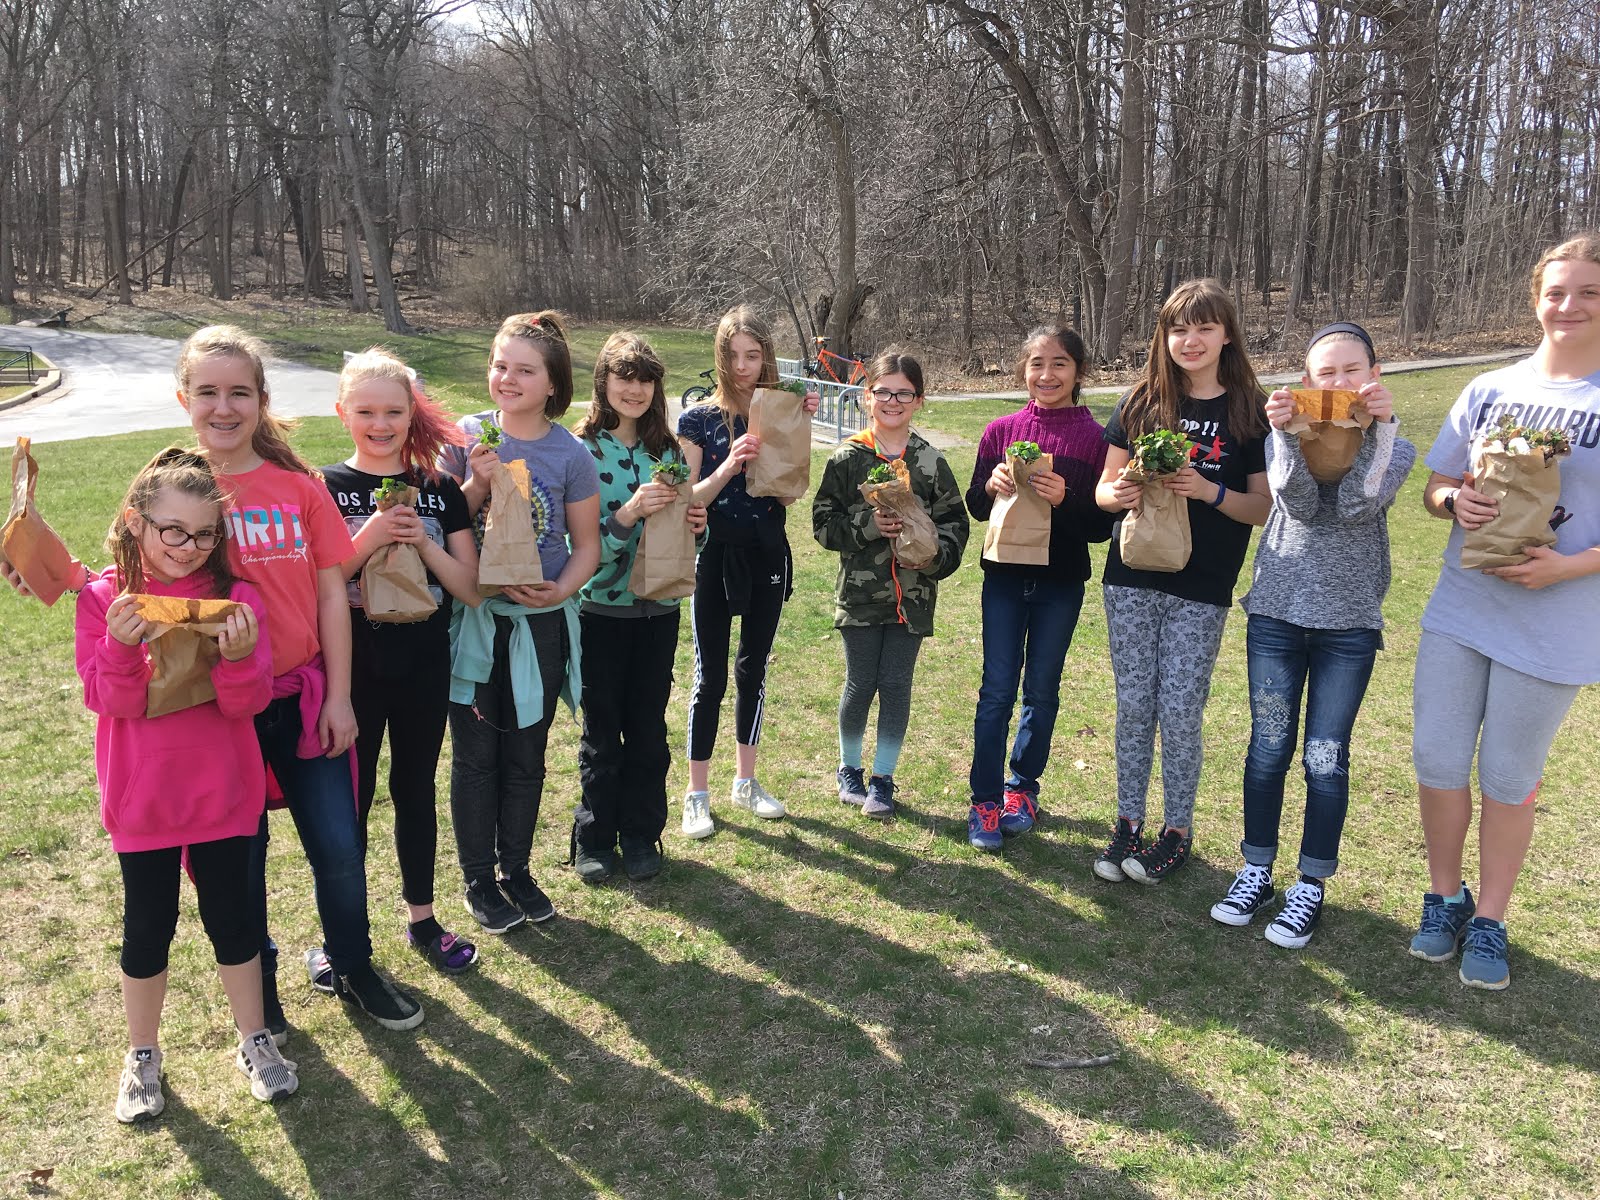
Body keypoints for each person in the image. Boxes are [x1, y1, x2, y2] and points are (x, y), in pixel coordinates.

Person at [174, 325, 425, 1037]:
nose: (224, 408)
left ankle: (353, 964)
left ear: (261, 400)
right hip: (220, 713)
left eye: (240, 393)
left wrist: (340, 696)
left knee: (340, 849)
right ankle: (263, 989)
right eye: (208, 393)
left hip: (306, 698)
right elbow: (127, 586)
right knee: (240, 861)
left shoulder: (298, 488)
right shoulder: (171, 491)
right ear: (184, 398)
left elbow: (328, 598)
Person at [77, 447, 295, 1121]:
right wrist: (118, 644)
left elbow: (245, 703)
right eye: (173, 529)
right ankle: (142, 1054)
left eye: (204, 534)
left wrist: (235, 658)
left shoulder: (238, 601)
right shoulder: (104, 599)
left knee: (235, 922)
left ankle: (254, 1039)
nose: (189, 547)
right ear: (136, 522)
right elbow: (108, 700)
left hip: (224, 796)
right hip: (143, 801)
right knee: (147, 927)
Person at [1409, 234, 1600, 990]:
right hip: (1464, 605)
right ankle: (1443, 897)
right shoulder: (1490, 387)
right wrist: (1456, 499)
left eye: (1587, 292)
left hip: (1556, 617)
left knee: (1510, 774)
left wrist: (1569, 565)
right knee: (1437, 758)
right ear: (1535, 300)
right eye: (1556, 292)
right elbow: (1435, 489)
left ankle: (1490, 917)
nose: (1569, 305)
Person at [1210, 323, 1414, 947]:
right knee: (1268, 748)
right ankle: (1255, 868)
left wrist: (1380, 430)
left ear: (1374, 375)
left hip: (1348, 625)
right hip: (1276, 612)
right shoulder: (1283, 435)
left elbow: (1356, 504)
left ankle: (1311, 884)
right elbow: (1296, 503)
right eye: (1326, 374)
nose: (1339, 383)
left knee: (1325, 758)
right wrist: (1285, 434)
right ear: (1307, 382)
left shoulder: (1396, 445)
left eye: (1352, 371)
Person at [1093, 279, 1270, 883]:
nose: (1190, 341)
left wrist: (1209, 490)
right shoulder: (1141, 402)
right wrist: (1117, 493)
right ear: (1163, 337)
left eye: (1204, 328)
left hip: (1203, 585)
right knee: (1134, 704)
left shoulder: (1248, 409)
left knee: (1180, 708)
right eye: (1179, 329)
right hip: (1132, 576)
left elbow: (1262, 507)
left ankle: (1176, 831)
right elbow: (1102, 489)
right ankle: (1126, 822)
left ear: (1226, 335)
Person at [439, 311, 600, 932]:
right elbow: (444, 527)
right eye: (500, 366)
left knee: (526, 753)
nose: (507, 378)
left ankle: (517, 869)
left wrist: (557, 590)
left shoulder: (570, 454)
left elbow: (586, 545)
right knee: (477, 754)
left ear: (553, 384)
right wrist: (474, 486)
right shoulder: (468, 438)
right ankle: (479, 878)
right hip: (477, 623)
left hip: (541, 625)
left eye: (525, 370)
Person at [323, 349, 481, 972]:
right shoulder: (325, 488)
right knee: (350, 802)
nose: (380, 423)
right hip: (353, 671)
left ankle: (423, 919)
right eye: (365, 411)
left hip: (422, 664)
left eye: (393, 411)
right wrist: (372, 535)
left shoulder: (439, 490)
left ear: (411, 412)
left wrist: (423, 542)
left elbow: (470, 588)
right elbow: (322, 581)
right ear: (343, 413)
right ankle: (346, 935)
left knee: (414, 790)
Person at [962, 326, 1110, 850]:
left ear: (1078, 371)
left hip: (1061, 583)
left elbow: (1100, 528)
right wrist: (991, 485)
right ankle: (983, 800)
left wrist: (1068, 497)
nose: (1047, 375)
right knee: (996, 691)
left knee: (1041, 691)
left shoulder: (1096, 439)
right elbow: (976, 506)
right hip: (1002, 579)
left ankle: (1022, 787)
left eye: (1060, 364)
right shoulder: (1000, 429)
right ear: (1023, 370)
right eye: (1037, 364)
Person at [675, 306, 818, 838]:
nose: (742, 366)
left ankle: (746, 780)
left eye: (753, 355)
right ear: (720, 355)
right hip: (713, 554)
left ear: (767, 358)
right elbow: (688, 495)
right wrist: (730, 463)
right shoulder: (698, 419)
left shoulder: (781, 409)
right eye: (733, 355)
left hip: (766, 553)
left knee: (752, 668)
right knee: (709, 676)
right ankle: (696, 793)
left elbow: (788, 492)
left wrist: (796, 423)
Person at [572, 332, 708, 880]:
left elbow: (685, 542)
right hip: (600, 611)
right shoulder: (580, 451)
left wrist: (697, 525)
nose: (635, 389)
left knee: (648, 729)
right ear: (603, 382)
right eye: (624, 376)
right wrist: (626, 514)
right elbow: (572, 549)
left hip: (658, 614)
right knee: (602, 729)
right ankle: (595, 839)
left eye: (645, 378)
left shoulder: (668, 452)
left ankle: (642, 835)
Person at [812, 350, 969, 819]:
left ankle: (883, 778)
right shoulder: (847, 458)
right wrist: (867, 525)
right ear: (866, 397)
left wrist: (933, 553)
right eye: (883, 391)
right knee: (860, 684)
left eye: (904, 393)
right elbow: (822, 524)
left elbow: (956, 523)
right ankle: (850, 768)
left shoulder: (929, 461)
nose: (893, 400)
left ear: (918, 400)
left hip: (913, 598)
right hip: (860, 597)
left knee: (897, 686)